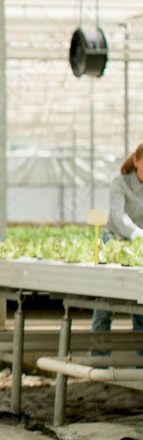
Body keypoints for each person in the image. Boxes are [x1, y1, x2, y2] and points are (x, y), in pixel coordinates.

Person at [92, 143, 143, 354]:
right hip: (114, 242)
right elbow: (117, 215)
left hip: (138, 246)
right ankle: (99, 359)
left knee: (141, 302)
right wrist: (136, 233)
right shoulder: (120, 183)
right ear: (137, 161)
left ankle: (139, 365)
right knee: (106, 302)